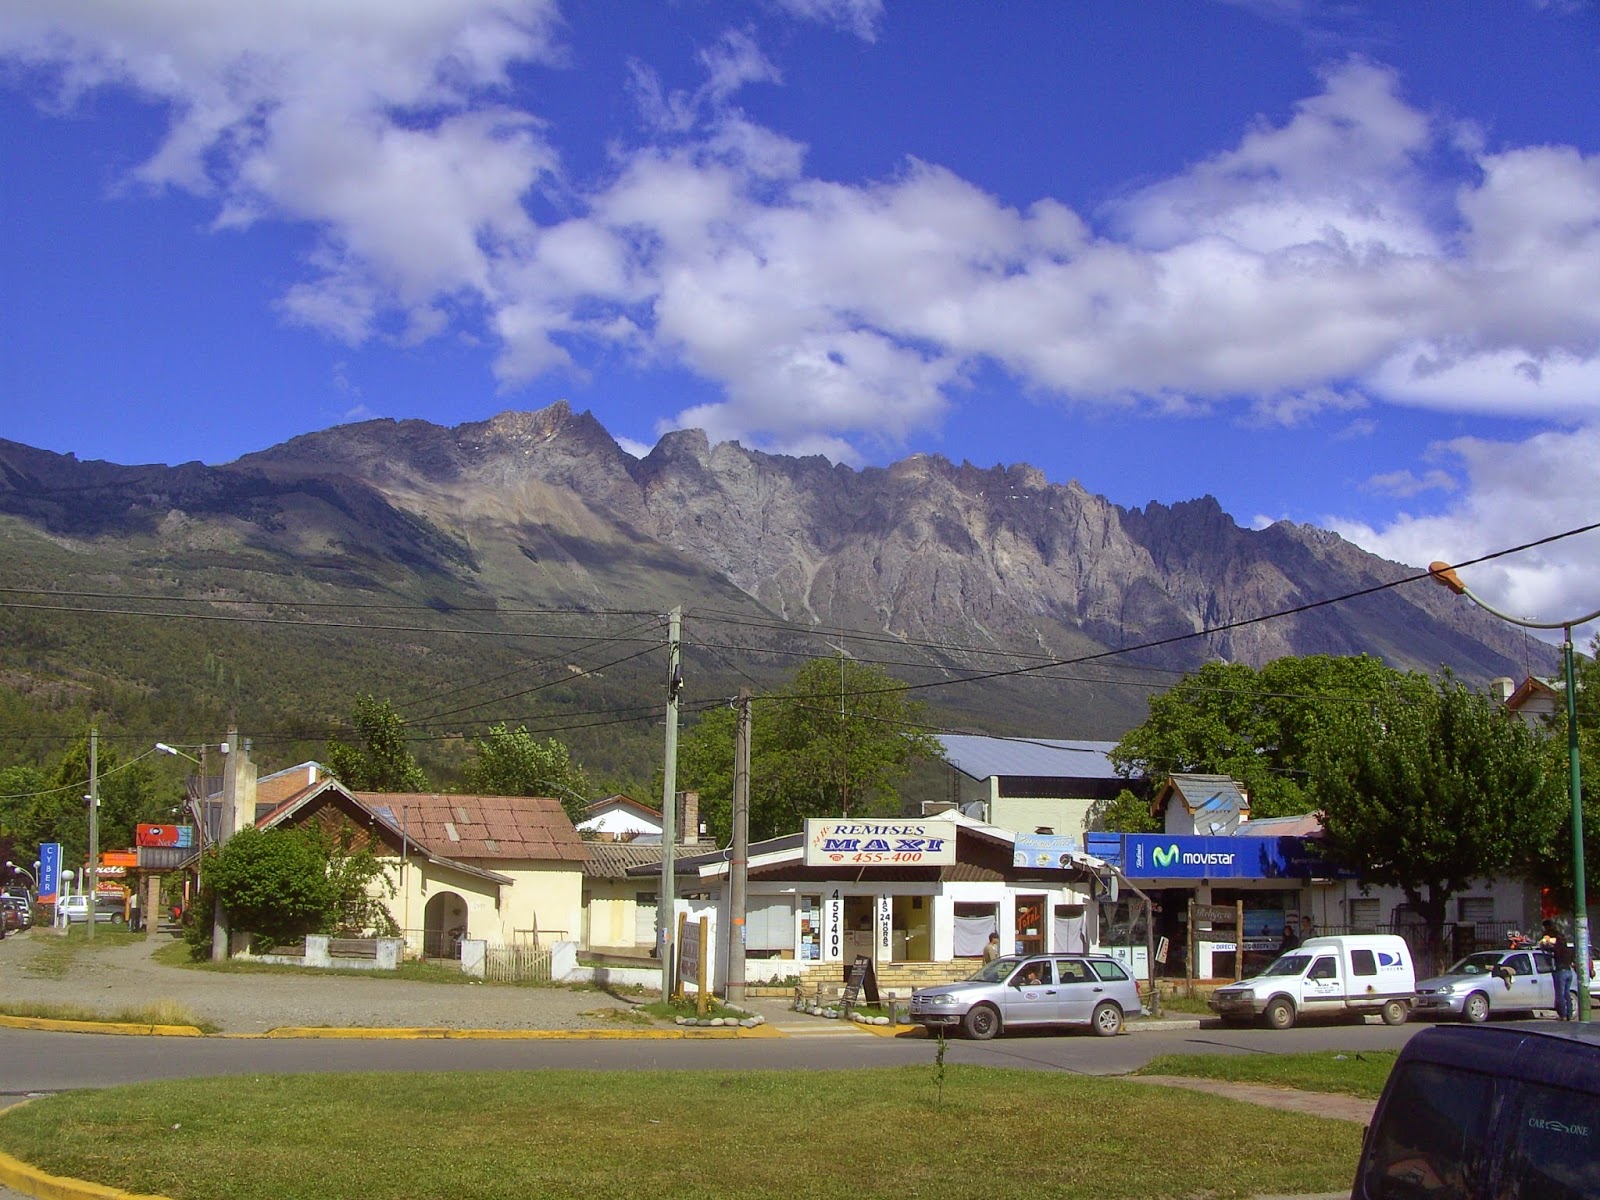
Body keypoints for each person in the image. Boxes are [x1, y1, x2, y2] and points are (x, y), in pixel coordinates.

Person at [1541, 919, 1578, 1021]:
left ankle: (1563, 1014)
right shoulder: (1567, 950)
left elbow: (1550, 951)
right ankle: (1570, 1014)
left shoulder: (1557, 948)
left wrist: (1545, 946)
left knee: (1560, 994)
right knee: (1567, 993)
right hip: (1568, 971)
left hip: (1560, 971)